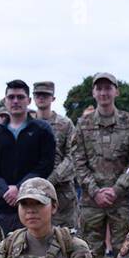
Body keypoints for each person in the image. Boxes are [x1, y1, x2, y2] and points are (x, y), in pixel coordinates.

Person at [70, 72, 129, 258]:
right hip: (91, 203)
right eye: (99, 89)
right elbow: (78, 162)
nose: (103, 93)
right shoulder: (82, 125)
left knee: (126, 253)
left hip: (120, 201)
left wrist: (118, 188)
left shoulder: (128, 122)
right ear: (93, 93)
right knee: (90, 253)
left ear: (116, 92)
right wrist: (95, 191)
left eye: (108, 88)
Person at [0, 79, 57, 234]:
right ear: (5, 101)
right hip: (2, 205)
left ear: (29, 101)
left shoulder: (42, 130)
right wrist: (5, 190)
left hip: (34, 204)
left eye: (20, 97)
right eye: (11, 97)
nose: (16, 101)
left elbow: (45, 164)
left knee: (34, 251)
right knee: (0, 251)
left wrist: (20, 188)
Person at [32, 80, 79, 231]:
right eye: (38, 94)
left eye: (46, 95)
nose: (41, 98)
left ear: (53, 98)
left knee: (65, 238)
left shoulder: (65, 124)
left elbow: (72, 156)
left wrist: (52, 178)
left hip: (62, 194)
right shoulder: (28, 125)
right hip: (33, 191)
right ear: (33, 97)